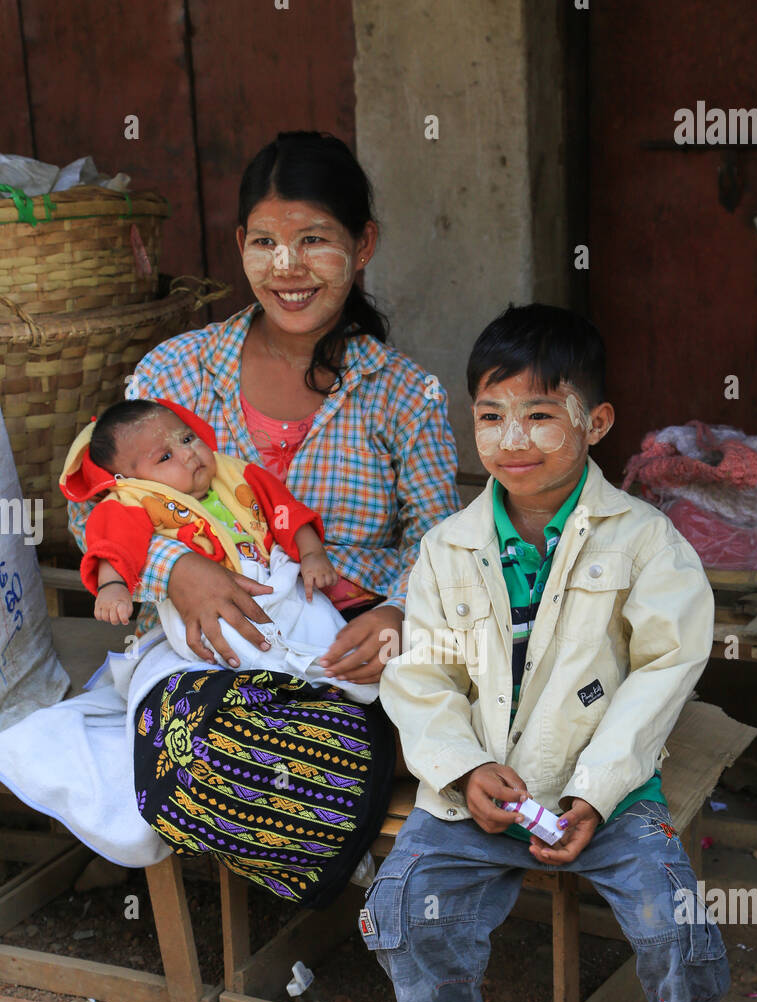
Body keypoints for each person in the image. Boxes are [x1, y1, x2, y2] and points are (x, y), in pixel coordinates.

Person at [363, 303, 757, 1002]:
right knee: (401, 916)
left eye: (542, 414)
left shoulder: (645, 542)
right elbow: (419, 679)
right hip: (477, 787)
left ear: (596, 423)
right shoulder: (445, 549)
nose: (513, 439)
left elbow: (664, 672)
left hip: (607, 789)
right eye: (491, 415)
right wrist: (465, 770)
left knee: (671, 925)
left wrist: (595, 788)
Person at [63, 129, 461, 906]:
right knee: (208, 735)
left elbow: (443, 542)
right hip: (207, 665)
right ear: (240, 244)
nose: (288, 267)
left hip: (348, 657)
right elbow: (94, 510)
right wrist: (175, 570)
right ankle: (360, 854)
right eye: (267, 242)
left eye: (315, 240)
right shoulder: (174, 371)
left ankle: (347, 829)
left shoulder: (402, 394)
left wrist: (398, 616)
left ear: (363, 244)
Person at [60, 398, 375, 703]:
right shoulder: (134, 500)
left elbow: (285, 510)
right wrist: (112, 586)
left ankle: (335, 668)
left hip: (271, 577)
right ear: (128, 479)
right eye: (165, 457)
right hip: (201, 606)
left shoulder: (234, 472)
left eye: (187, 438)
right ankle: (283, 678)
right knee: (228, 643)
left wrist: (311, 554)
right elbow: (113, 544)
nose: (188, 453)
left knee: (315, 612)